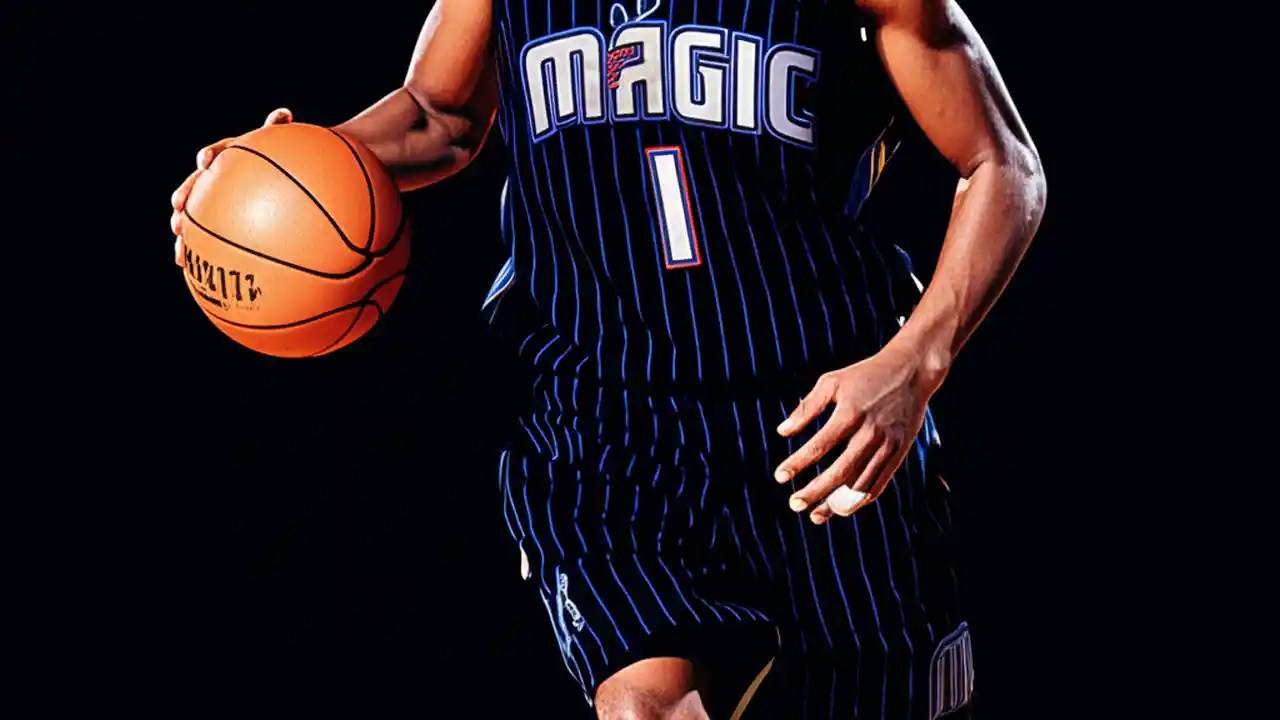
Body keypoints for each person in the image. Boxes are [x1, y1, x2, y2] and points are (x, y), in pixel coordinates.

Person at [169, 1, 1045, 717]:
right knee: (647, 705)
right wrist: (278, 181)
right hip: (608, 427)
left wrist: (913, 363)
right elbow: (442, 114)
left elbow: (1002, 162)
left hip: (825, 419)